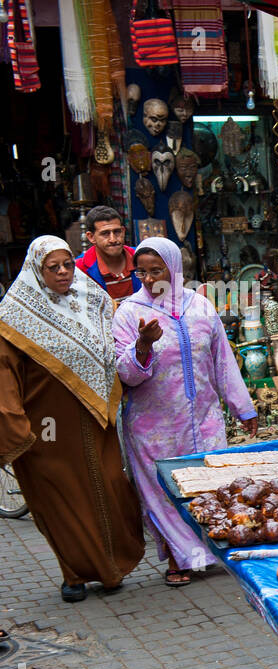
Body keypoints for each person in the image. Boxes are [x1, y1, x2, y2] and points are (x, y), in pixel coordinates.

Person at [0, 236, 145, 602]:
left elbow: (116, 348)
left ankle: (110, 566)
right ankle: (75, 574)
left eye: (68, 264)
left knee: (109, 486)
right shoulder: (13, 316)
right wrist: (15, 428)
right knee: (61, 501)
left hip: (96, 418)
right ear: (36, 270)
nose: (64, 273)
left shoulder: (93, 299)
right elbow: (4, 376)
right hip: (45, 429)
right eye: (54, 267)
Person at [113, 237, 258, 587]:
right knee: (163, 491)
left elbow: (222, 361)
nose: (148, 279)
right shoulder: (129, 313)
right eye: (141, 272)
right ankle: (179, 558)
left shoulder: (201, 306)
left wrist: (243, 407)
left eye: (156, 270)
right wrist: (143, 345)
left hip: (205, 418)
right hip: (153, 426)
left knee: (206, 484)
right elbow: (125, 375)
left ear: (174, 269)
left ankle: (207, 550)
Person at [74, 206, 142, 303]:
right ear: (91, 237)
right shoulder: (79, 269)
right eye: (105, 233)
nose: (113, 239)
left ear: (123, 231)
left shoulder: (141, 257)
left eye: (117, 232)